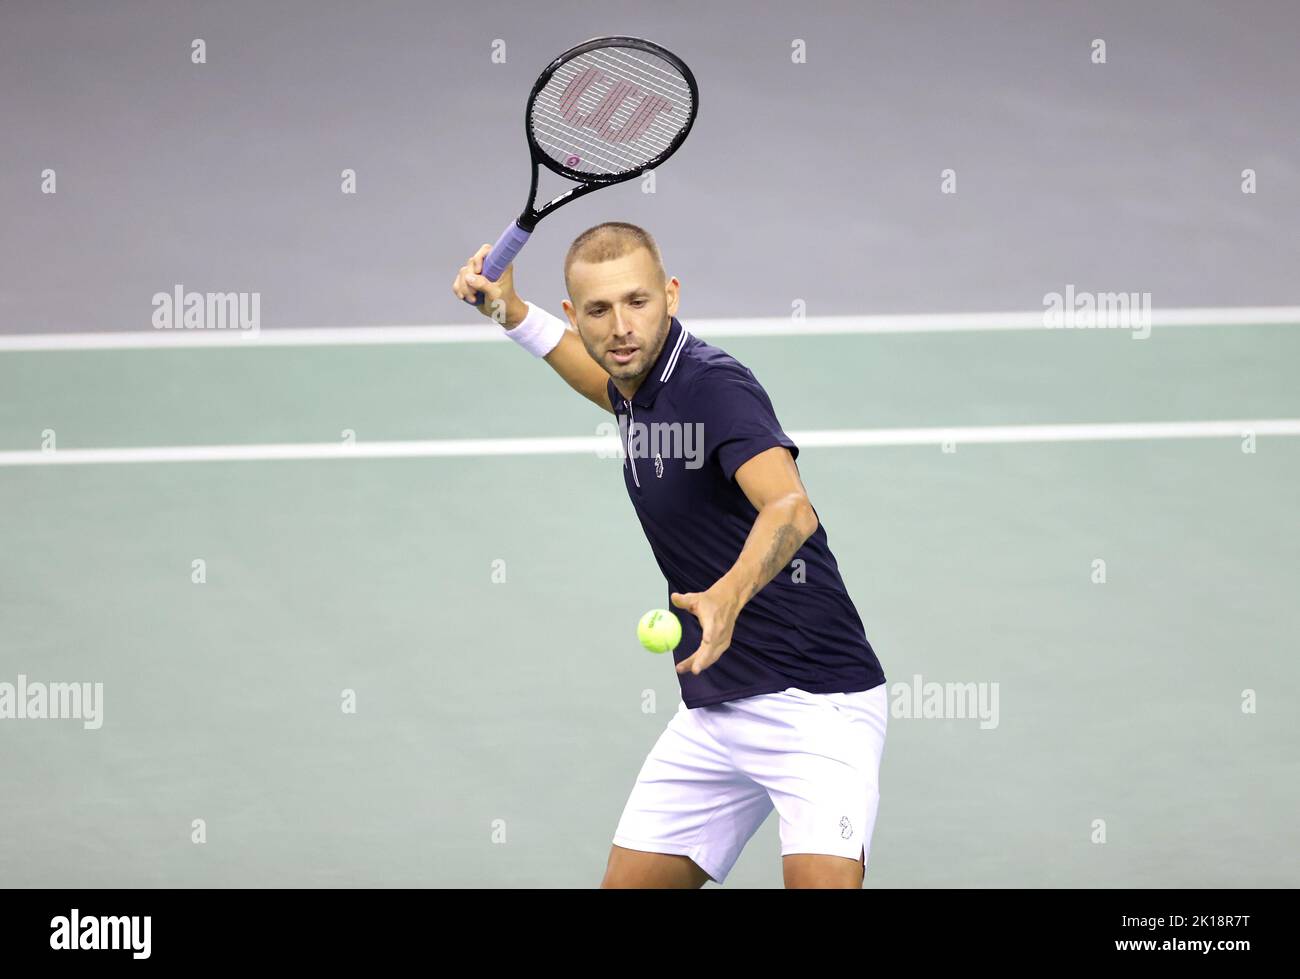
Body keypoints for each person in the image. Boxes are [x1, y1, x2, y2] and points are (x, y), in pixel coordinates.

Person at [451, 222, 888, 888]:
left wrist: (727, 594)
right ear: (576, 314)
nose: (620, 325)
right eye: (598, 310)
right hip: (718, 706)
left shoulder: (713, 386)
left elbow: (791, 508)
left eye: (638, 301)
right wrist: (509, 310)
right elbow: (601, 385)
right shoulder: (636, 385)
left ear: (671, 295)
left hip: (815, 700)